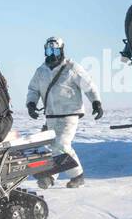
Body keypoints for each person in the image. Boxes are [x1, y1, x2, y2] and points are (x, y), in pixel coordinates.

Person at [26, 36, 102, 188]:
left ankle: (78, 175)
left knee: (61, 144)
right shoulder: (41, 71)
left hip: (70, 114)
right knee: (50, 146)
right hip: (51, 115)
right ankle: (50, 177)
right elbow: (33, 89)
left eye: (54, 49)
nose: (51, 53)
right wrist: (31, 104)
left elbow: (89, 85)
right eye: (48, 50)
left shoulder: (71, 67)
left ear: (61, 50)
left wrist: (96, 102)